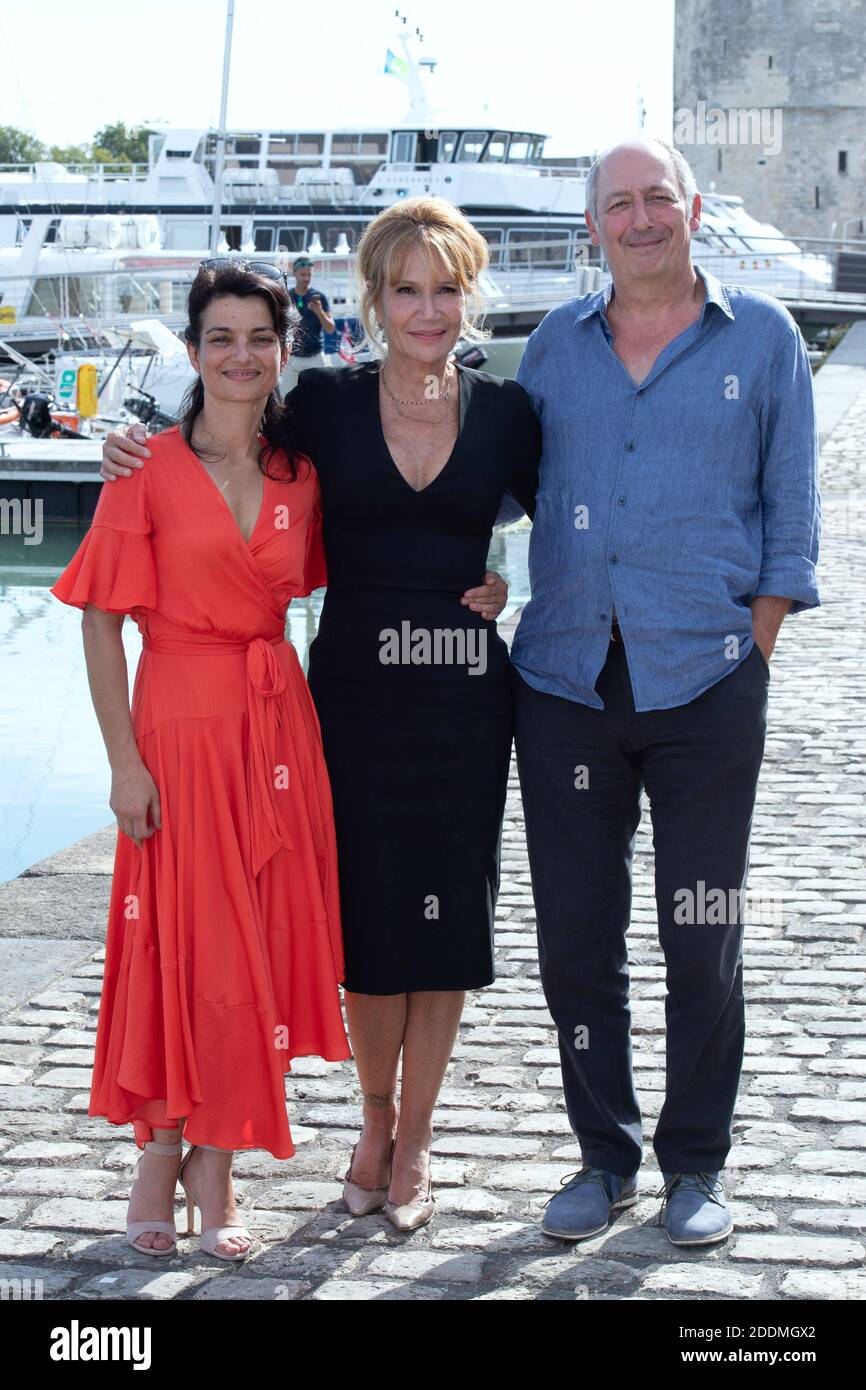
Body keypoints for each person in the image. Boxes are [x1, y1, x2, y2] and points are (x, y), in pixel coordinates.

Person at [99, 197, 541, 1232]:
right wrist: (132, 444)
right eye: (405, 288)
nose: (426, 309)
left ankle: (416, 1140)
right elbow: (222, 432)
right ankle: (372, 1121)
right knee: (368, 921)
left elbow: (565, 515)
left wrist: (506, 577)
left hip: (465, 697)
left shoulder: (510, 414)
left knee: (451, 923)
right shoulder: (327, 406)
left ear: (465, 297)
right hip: (345, 701)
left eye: (444, 288)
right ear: (375, 299)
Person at [511, 137, 821, 1246]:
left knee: (702, 935)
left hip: (704, 682)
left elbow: (791, 513)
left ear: (691, 209)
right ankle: (601, 1158)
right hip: (562, 682)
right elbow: (485, 479)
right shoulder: (552, 346)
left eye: (656, 200)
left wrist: (756, 646)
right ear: (592, 223)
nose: (638, 220)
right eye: (616, 205)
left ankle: (694, 1163)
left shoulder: (765, 340)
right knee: (573, 941)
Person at [52, 263, 353, 1261]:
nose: (240, 355)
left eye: (258, 337)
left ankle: (215, 1156)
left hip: (275, 736)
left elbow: (390, 545)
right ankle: (162, 1147)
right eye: (220, 337)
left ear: (282, 348)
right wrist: (121, 764)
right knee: (179, 946)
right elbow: (100, 624)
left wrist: (482, 581)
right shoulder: (142, 468)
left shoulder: (300, 475)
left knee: (250, 950)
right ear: (192, 352)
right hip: (176, 732)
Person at [283, 254, 335, 389]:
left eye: (309, 275)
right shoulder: (286, 297)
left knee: (319, 399)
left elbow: (330, 328)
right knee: (286, 400)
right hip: (292, 357)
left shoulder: (319, 298)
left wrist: (319, 311)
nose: (306, 278)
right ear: (294, 273)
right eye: (303, 274)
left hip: (315, 357)